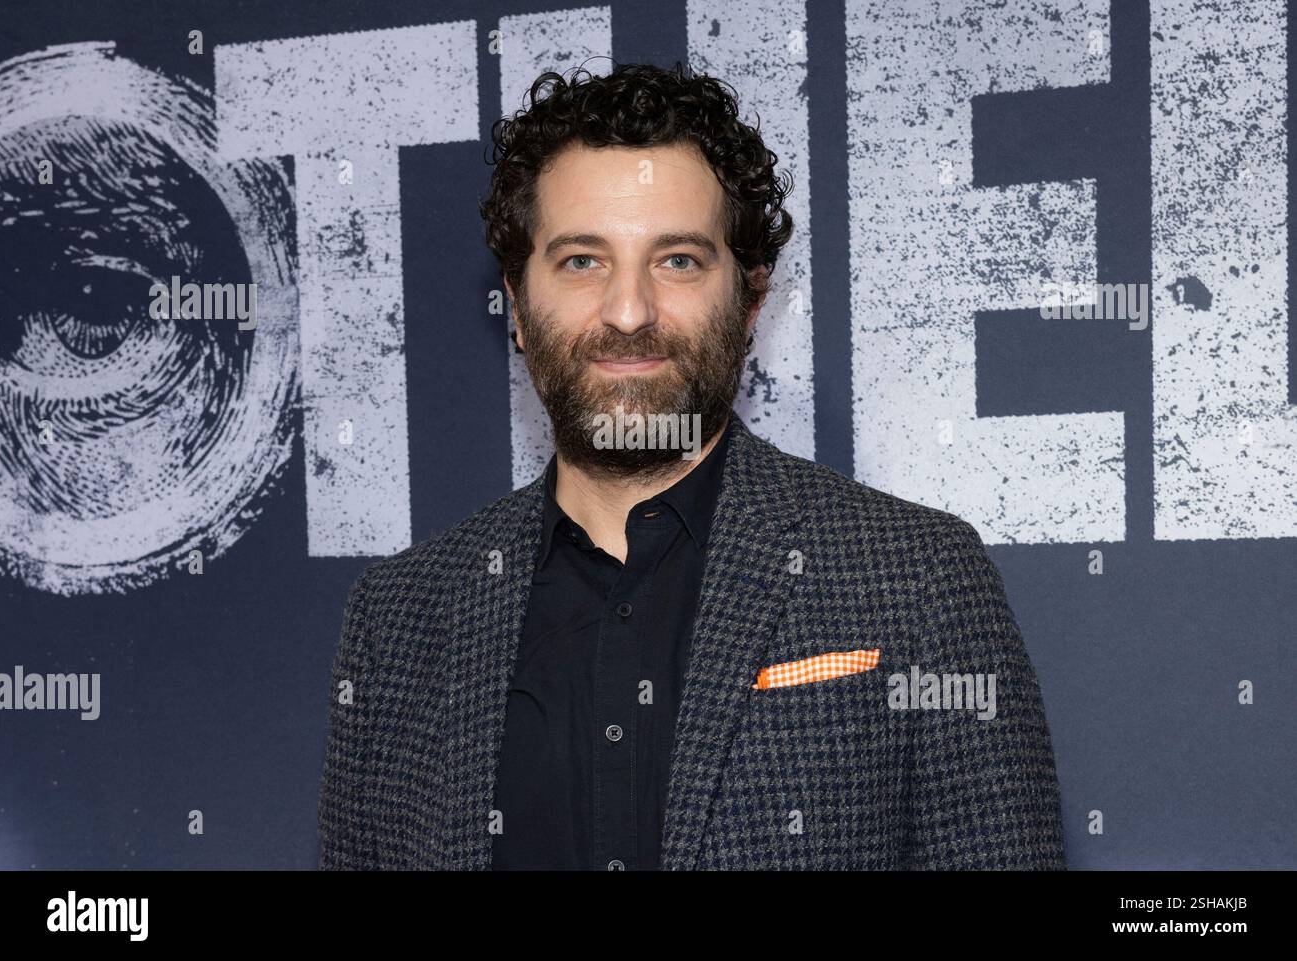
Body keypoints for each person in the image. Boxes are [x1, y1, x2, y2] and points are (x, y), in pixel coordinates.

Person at [318, 61, 1065, 870]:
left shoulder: (916, 578)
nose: (629, 310)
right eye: (581, 261)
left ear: (748, 300)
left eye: (676, 259)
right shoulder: (397, 621)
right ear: (519, 304)